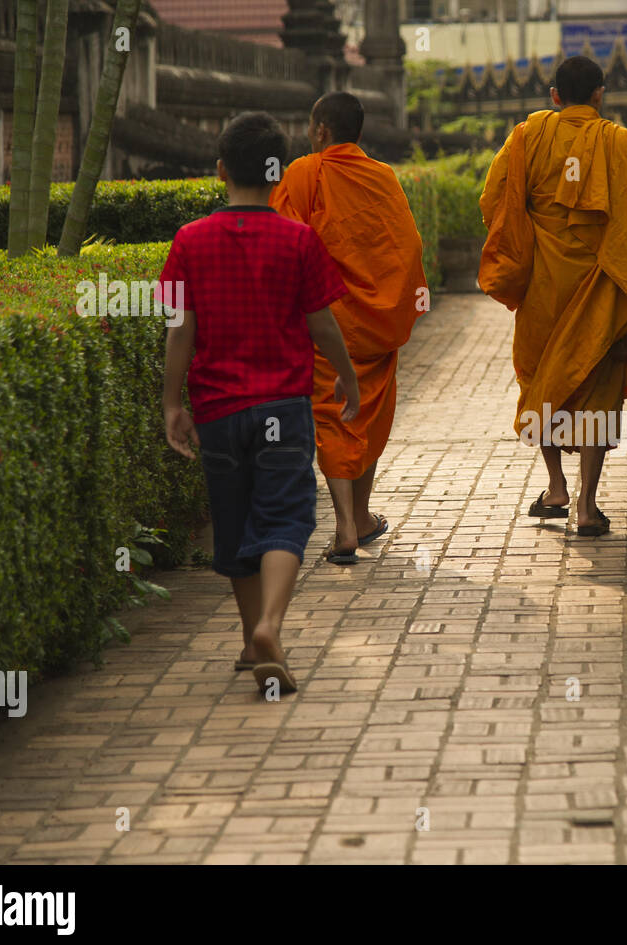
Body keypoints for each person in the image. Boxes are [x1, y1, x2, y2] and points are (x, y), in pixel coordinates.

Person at [160, 111, 360, 696]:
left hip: (220, 410)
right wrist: (345, 376)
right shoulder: (298, 238)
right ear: (277, 175)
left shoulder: (189, 240)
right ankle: (270, 627)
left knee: (236, 522)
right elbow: (321, 322)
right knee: (285, 517)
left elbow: (180, 329)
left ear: (221, 169)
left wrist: (173, 403)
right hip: (283, 409)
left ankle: (253, 640)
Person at [479, 55, 627, 536]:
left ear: (555, 95)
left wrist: (526, 239)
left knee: (542, 381)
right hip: (598, 289)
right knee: (596, 391)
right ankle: (585, 504)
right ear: (600, 94)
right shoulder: (618, 142)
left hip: (543, 289)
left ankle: (555, 484)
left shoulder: (529, 136)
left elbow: (494, 200)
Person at [270, 91, 428, 564]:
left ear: (321, 131)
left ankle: (346, 525)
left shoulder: (301, 173)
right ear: (360, 133)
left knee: (333, 417)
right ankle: (358, 516)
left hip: (327, 326)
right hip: (376, 322)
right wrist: (394, 304)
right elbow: (408, 246)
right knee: (367, 414)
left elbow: (284, 244)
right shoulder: (382, 176)